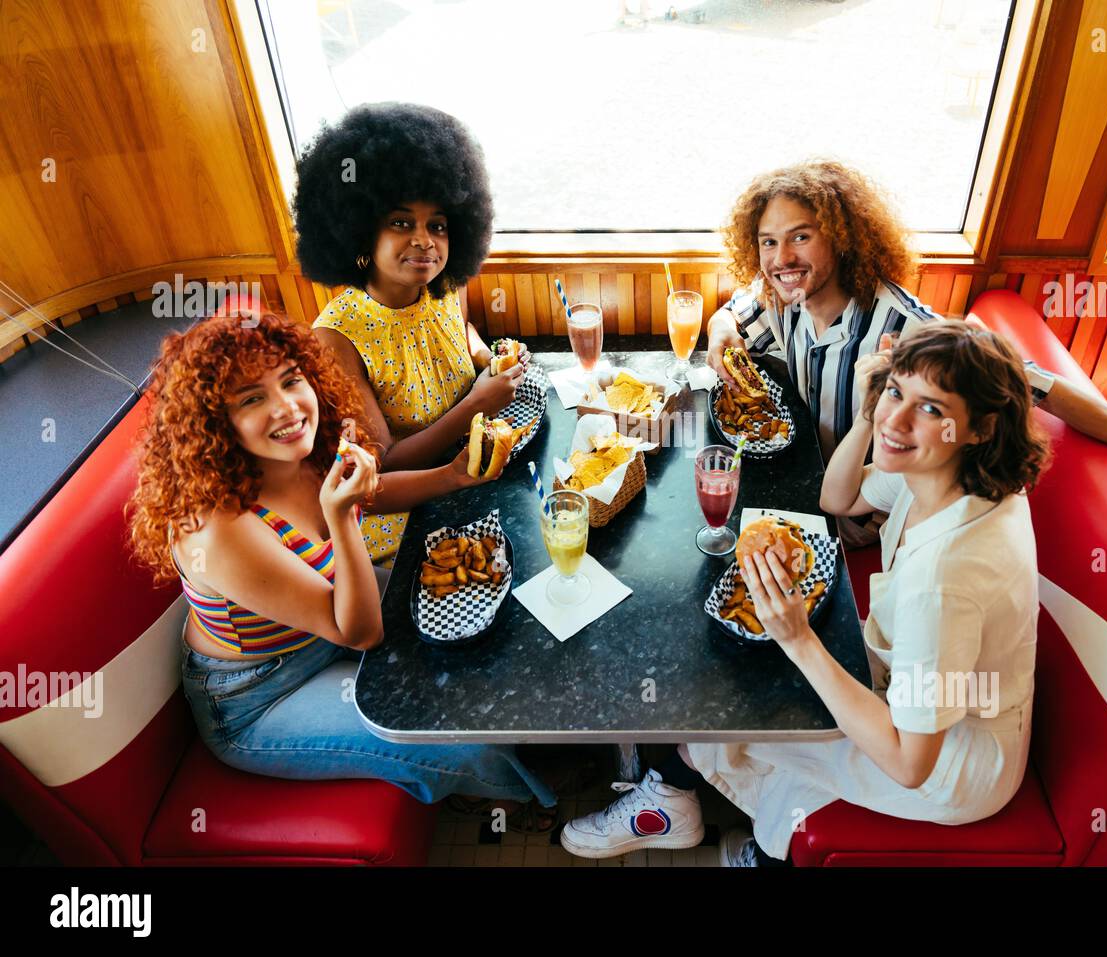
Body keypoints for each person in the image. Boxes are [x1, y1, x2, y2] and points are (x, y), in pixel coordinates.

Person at [561, 322, 1049, 864]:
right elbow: (836, 497)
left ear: (980, 428)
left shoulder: (948, 580)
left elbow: (911, 763)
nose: (899, 418)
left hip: (950, 763)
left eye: (930, 409)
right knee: (751, 674)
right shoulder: (951, 474)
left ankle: (704, 821)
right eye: (896, 390)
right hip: (912, 685)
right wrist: (873, 415)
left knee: (734, 707)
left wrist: (797, 639)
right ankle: (689, 804)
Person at [126, 311, 556, 828]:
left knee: (482, 634)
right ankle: (526, 792)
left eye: (290, 380)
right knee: (451, 738)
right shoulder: (219, 531)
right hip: (262, 695)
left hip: (331, 623)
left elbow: (367, 491)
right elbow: (360, 632)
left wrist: (452, 475)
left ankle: (535, 742)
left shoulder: (302, 448)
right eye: (251, 398)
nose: (286, 408)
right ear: (214, 421)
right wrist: (338, 516)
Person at [705, 160, 1107, 547]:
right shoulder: (779, 292)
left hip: (857, 510)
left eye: (800, 237)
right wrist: (720, 329)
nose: (781, 258)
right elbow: (732, 314)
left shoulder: (907, 330)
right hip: (799, 474)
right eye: (768, 242)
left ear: (842, 239)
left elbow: (1046, 389)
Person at [293, 102, 527, 565]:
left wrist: (487, 356)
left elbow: (461, 332)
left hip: (479, 474)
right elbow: (382, 468)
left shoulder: (444, 286)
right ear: (360, 233)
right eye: (402, 223)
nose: (424, 240)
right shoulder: (335, 338)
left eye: (436, 226)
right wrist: (478, 404)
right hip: (408, 531)